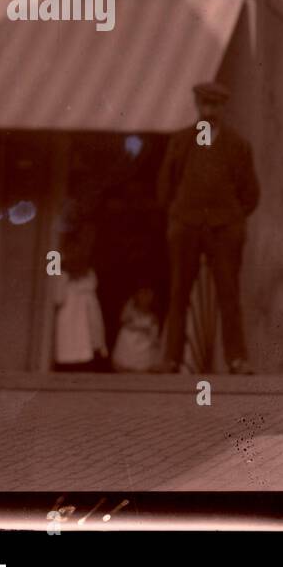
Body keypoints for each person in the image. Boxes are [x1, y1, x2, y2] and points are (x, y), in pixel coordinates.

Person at [153, 81, 259, 374]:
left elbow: (250, 193)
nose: (209, 110)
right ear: (197, 106)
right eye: (204, 104)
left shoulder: (238, 145)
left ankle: (236, 359)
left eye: (215, 105)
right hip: (186, 226)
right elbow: (165, 186)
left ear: (222, 108)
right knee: (179, 292)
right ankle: (171, 359)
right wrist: (177, 216)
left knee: (228, 293)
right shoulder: (181, 141)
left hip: (224, 229)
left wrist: (233, 218)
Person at [52, 229, 110, 372]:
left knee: (85, 355)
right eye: (71, 251)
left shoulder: (89, 277)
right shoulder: (60, 275)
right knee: (69, 353)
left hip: (85, 325)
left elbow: (94, 312)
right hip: (69, 321)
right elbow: (57, 298)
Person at [112, 287, 161, 373]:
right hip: (130, 342)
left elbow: (154, 328)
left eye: (148, 294)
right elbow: (123, 320)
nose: (145, 298)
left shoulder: (152, 313)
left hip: (145, 344)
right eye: (142, 294)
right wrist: (139, 327)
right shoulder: (131, 308)